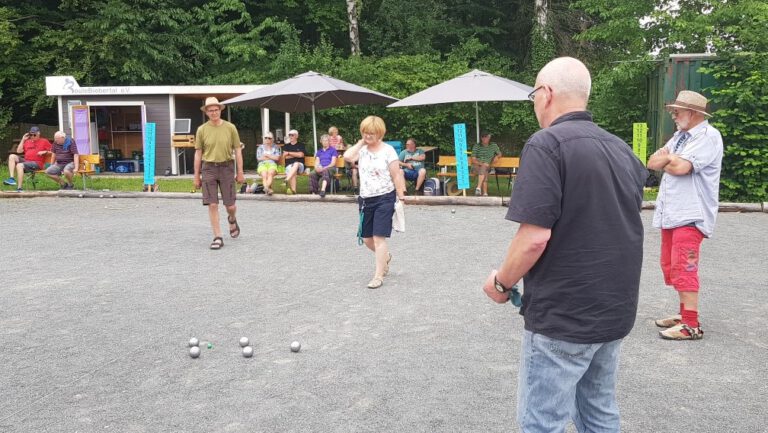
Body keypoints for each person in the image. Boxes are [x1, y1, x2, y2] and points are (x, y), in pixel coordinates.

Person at [481, 57, 648, 433]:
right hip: (614, 309)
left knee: (543, 421)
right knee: (598, 412)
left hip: (565, 312)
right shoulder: (621, 149)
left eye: (533, 94)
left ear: (547, 94)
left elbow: (534, 237)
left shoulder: (547, 144)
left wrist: (501, 283)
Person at [647, 90, 723, 341]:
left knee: (685, 265)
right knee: (671, 266)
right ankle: (683, 314)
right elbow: (651, 162)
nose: (673, 115)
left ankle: (691, 324)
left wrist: (668, 159)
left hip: (691, 214)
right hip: (673, 212)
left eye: (677, 111)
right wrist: (670, 157)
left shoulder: (708, 137)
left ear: (693, 113)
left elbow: (680, 168)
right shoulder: (681, 137)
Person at [344, 116, 406, 289]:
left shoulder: (388, 151)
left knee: (379, 238)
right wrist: (360, 143)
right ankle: (386, 256)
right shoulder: (361, 150)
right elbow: (348, 157)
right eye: (365, 132)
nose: (367, 135)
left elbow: (396, 174)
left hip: (384, 197)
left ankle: (378, 275)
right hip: (365, 198)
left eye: (371, 133)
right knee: (366, 239)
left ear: (379, 133)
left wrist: (401, 197)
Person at [193, 97, 245, 250]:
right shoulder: (202, 129)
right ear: (207, 112)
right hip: (208, 168)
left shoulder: (230, 127)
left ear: (220, 111)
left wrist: (240, 172)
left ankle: (232, 218)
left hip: (227, 167)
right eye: (211, 110)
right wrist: (196, 175)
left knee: (230, 205)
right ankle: (217, 236)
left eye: (216, 110)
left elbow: (237, 150)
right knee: (213, 204)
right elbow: (198, 153)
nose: (214, 112)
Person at [3, 126, 52, 192]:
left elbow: (53, 151)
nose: (32, 136)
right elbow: (19, 151)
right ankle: (12, 179)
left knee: (19, 165)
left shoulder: (44, 141)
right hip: (26, 161)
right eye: (31, 134)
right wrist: (23, 140)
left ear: (38, 133)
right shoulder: (27, 142)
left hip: (37, 163)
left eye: (34, 134)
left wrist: (45, 151)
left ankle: (19, 188)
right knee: (12, 156)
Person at [470, 131, 501, 196]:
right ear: (481, 138)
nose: (484, 138)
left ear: (489, 137)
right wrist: (482, 164)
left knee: (484, 168)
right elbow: (473, 159)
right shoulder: (477, 146)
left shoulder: (493, 145)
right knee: (484, 170)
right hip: (476, 167)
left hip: (487, 167)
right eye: (483, 137)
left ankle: (478, 188)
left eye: (486, 137)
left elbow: (499, 154)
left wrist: (497, 156)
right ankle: (485, 193)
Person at [310, 134, 338, 198]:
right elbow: (317, 162)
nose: (325, 142)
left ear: (329, 142)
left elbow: (333, 163)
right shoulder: (319, 151)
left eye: (326, 141)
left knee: (325, 171)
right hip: (321, 168)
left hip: (330, 168)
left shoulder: (333, 150)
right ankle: (313, 192)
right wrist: (316, 167)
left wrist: (324, 168)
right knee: (312, 173)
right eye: (323, 141)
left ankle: (322, 190)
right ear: (321, 142)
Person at [252, 131, 280, 195]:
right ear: (263, 139)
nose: (267, 139)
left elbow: (277, 158)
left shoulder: (275, 147)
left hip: (272, 164)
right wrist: (271, 157)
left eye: (269, 138)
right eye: (266, 138)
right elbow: (259, 158)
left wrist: (267, 155)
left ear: (272, 139)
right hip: (262, 164)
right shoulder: (260, 147)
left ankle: (266, 188)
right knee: (264, 175)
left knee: (270, 173)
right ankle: (268, 189)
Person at [282, 129, 305, 194]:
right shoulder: (286, 146)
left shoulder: (301, 145)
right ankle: (294, 191)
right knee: (293, 171)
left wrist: (289, 153)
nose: (290, 136)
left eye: (292, 135)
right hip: (289, 166)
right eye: (289, 135)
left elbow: (301, 155)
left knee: (296, 163)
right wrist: (296, 154)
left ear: (297, 136)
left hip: (300, 166)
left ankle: (286, 180)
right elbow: (285, 157)